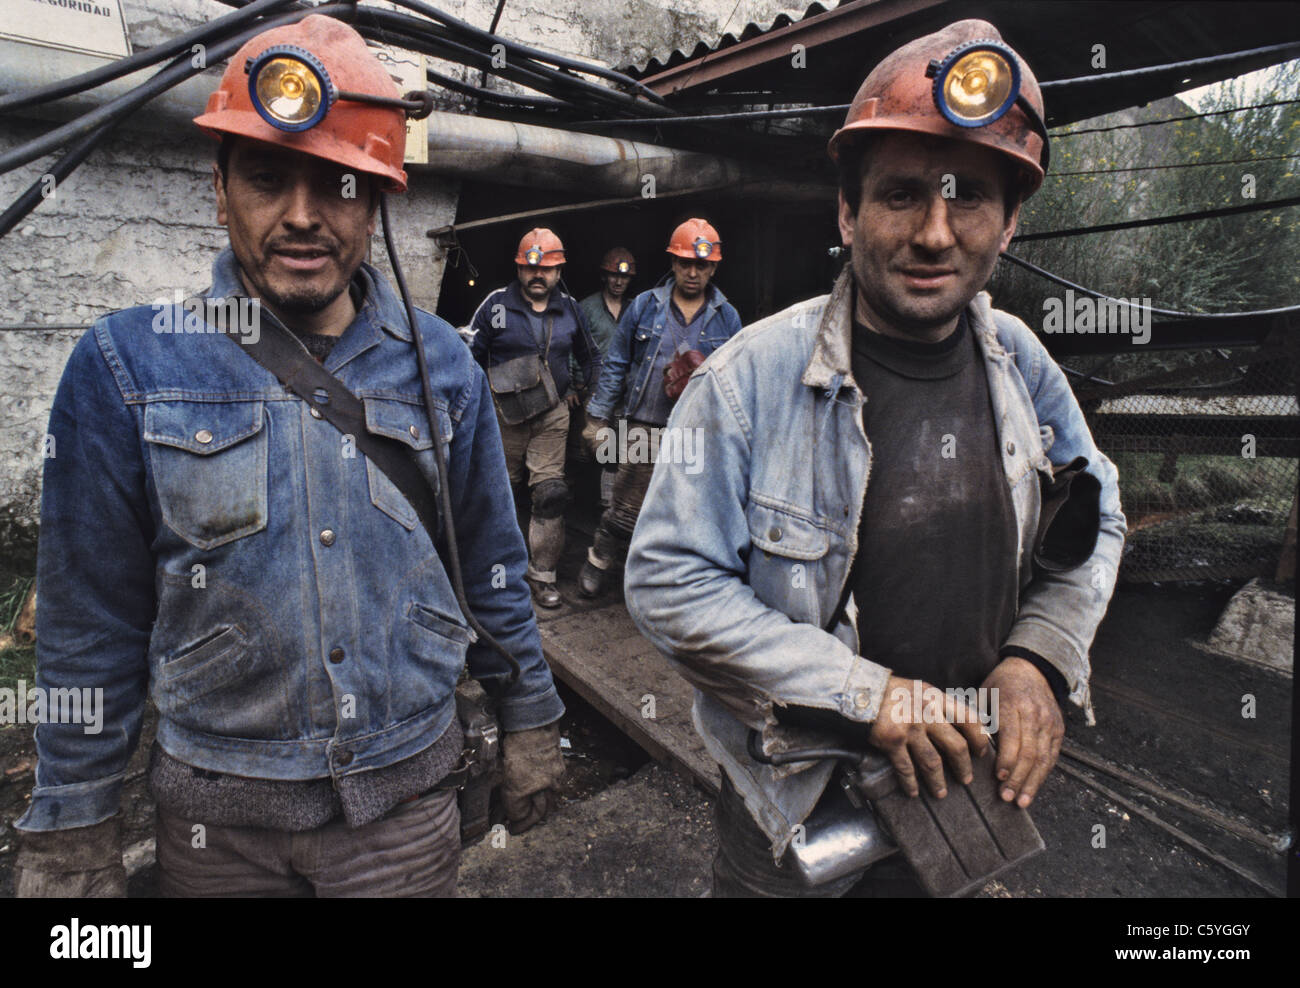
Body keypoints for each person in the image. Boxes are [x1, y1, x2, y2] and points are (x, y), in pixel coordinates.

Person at [14, 14, 566, 898]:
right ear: (219, 188)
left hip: (405, 810)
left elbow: (494, 565)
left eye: (339, 184)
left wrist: (531, 719)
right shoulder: (129, 366)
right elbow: (89, 622)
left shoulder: (442, 365)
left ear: (379, 195)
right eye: (268, 179)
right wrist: (73, 819)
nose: (303, 217)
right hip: (220, 832)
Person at [624, 20, 1126, 897]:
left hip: (968, 792)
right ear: (849, 211)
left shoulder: (1021, 362)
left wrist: (1039, 657)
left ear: (1009, 224)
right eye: (901, 195)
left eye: (967, 195)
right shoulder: (747, 380)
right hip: (801, 803)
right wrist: (866, 692)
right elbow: (669, 582)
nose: (935, 233)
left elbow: (1096, 514)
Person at [579, 220, 742, 597]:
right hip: (643, 424)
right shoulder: (645, 306)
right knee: (624, 506)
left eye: (702, 265)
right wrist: (597, 417)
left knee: (683, 511)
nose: (693, 272)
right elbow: (617, 361)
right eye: (685, 262)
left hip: (695, 431)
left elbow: (735, 378)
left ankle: (659, 581)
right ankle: (598, 561)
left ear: (714, 268)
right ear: (673, 262)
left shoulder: (727, 317)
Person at [469, 229, 600, 609]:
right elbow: (469, 356)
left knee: (551, 495)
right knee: (500, 495)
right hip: (504, 416)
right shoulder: (496, 305)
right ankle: (493, 574)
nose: (537, 274)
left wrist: (583, 391)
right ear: (518, 266)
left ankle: (542, 576)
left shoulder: (571, 309)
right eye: (530, 267)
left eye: (546, 268)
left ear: (559, 271)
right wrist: (479, 406)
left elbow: (591, 356)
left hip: (552, 415)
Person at [574, 247, 636, 506]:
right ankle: (581, 503)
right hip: (592, 389)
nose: (619, 281)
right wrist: (573, 382)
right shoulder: (586, 307)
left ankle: (608, 506)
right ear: (604, 276)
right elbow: (571, 345)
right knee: (589, 449)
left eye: (624, 277)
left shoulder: (636, 310)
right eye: (613, 275)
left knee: (620, 449)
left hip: (624, 394)